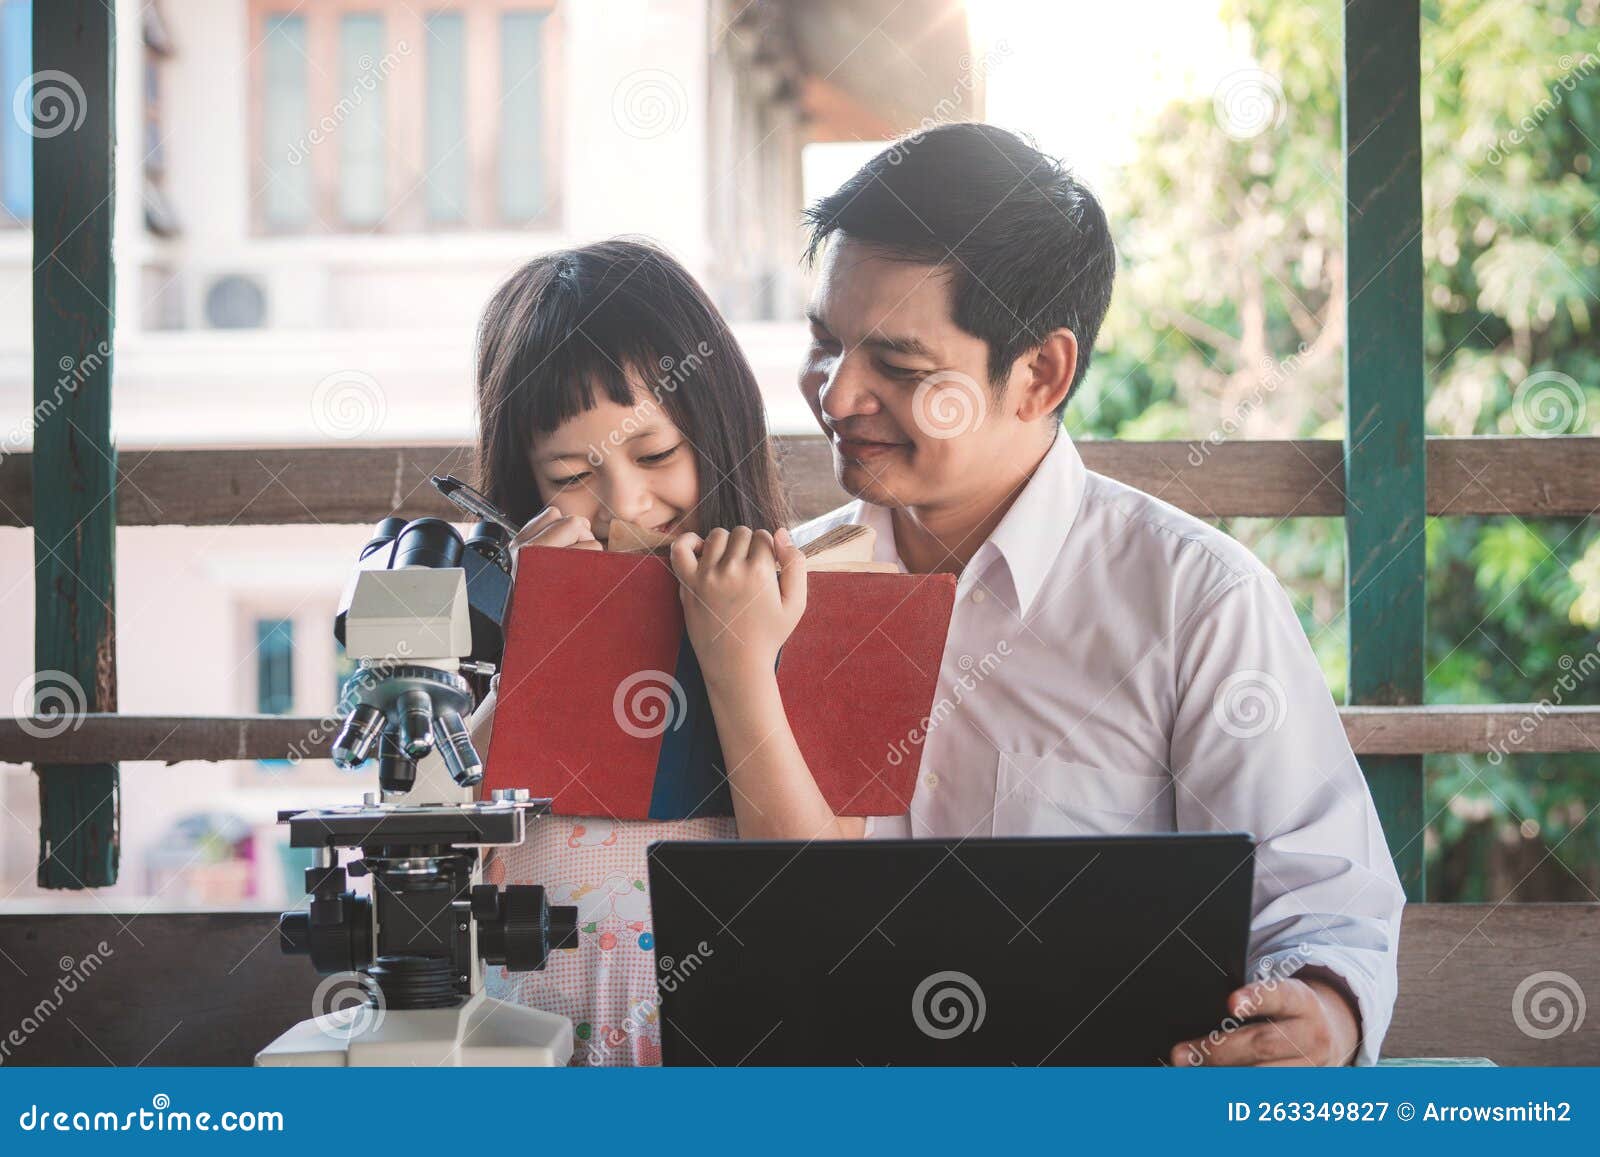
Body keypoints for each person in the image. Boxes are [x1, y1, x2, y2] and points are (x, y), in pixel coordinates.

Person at [791, 122, 1406, 1066]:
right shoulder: (775, 593)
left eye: (899, 369)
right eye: (825, 342)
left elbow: (1322, 895)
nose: (836, 397)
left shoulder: (1195, 603)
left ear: (1040, 373)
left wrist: (1321, 1007)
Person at [466, 239, 857, 1065]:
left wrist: (739, 662)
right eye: (572, 472)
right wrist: (543, 642)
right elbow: (427, 852)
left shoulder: (806, 610)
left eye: (654, 455)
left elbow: (819, 904)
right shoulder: (484, 616)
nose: (626, 502)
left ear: (714, 433)